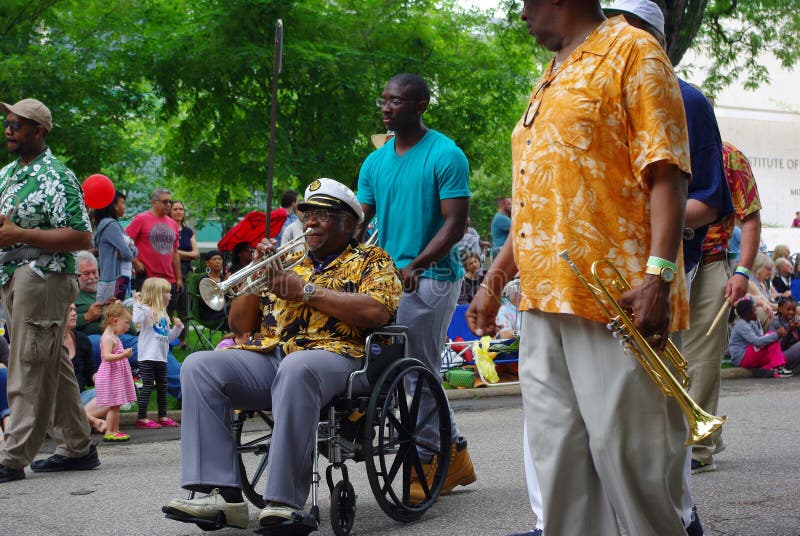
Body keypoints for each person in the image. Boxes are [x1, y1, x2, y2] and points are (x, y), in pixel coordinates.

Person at [467, 2, 696, 534]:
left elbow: (668, 172)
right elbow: (534, 198)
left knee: (628, 460)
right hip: (544, 301)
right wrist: (493, 281)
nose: (520, 13)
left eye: (526, 1)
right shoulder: (553, 70)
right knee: (559, 463)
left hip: (618, 302)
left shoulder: (634, 50)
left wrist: (658, 275)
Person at [162, 178, 402, 532]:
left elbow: (376, 312)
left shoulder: (373, 259)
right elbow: (240, 322)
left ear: (350, 224)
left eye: (323, 215)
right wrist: (256, 277)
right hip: (273, 354)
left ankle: (284, 502)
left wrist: (305, 290)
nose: (310, 222)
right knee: (200, 366)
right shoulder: (288, 258)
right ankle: (220, 496)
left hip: (340, 357)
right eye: (307, 214)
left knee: (298, 366)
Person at [357, 73, 476, 502]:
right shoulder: (374, 161)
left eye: (398, 101)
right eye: (384, 100)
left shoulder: (446, 154)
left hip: (432, 278)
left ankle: (430, 460)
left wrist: (417, 263)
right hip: (387, 280)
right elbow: (359, 222)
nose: (387, 108)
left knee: (415, 373)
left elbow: (455, 222)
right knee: (401, 372)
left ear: (421, 105)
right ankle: (454, 452)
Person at [0, 98, 99, 484]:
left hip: (43, 276)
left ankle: (12, 457)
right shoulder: (8, 173)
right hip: (12, 276)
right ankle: (77, 446)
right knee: (50, 361)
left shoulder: (57, 175)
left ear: (38, 131)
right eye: (7, 123)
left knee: (27, 363)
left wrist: (20, 234)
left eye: (17, 125)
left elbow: (82, 235)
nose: (8, 129)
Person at [74, 250, 182, 400]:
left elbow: (132, 325)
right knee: (98, 342)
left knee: (151, 345)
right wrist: (86, 317)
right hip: (92, 339)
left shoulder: (109, 289)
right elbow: (65, 324)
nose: (92, 277)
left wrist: (120, 309)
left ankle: (185, 389)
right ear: (76, 276)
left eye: (94, 272)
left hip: (123, 336)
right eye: (86, 274)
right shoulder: (72, 295)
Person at [132, 278, 183, 430]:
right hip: (147, 357)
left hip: (161, 356)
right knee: (147, 386)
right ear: (156, 295)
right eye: (167, 292)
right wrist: (138, 302)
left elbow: (168, 338)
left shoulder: (163, 315)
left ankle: (163, 416)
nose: (170, 295)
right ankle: (142, 418)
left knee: (163, 387)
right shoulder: (146, 311)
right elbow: (136, 319)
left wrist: (178, 328)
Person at [126, 188, 182, 305]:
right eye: (164, 201)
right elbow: (124, 241)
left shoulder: (173, 224)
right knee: (147, 317)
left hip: (169, 280)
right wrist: (134, 261)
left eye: (169, 202)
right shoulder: (141, 219)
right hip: (148, 279)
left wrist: (179, 278)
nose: (168, 205)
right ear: (153, 202)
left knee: (168, 318)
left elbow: (175, 252)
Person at [96, 303, 137, 442]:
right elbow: (106, 357)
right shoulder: (108, 338)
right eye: (126, 323)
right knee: (113, 405)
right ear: (115, 321)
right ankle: (110, 431)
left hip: (116, 375)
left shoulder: (114, 336)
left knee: (117, 404)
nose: (128, 326)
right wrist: (123, 355)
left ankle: (116, 430)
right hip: (110, 376)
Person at [728, 297, 792, 378]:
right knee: (771, 336)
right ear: (747, 313)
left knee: (779, 355)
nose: (756, 312)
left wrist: (757, 322)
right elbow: (757, 342)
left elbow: (761, 336)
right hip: (741, 357)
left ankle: (766, 370)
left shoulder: (751, 321)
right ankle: (778, 368)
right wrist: (776, 334)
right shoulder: (741, 325)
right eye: (754, 310)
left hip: (750, 352)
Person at [93, 192, 137, 302]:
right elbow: (127, 254)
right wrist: (130, 249)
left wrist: (130, 249)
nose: (124, 207)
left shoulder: (113, 224)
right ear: (114, 205)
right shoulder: (110, 225)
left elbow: (129, 251)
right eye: (122, 203)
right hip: (114, 279)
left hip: (121, 276)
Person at [170, 199, 200, 349]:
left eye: (181, 209)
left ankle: (182, 341)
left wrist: (176, 252)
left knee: (183, 307)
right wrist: (184, 254)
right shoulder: (166, 229)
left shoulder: (188, 232)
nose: (178, 212)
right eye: (175, 209)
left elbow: (196, 254)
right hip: (168, 271)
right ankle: (167, 339)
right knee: (168, 306)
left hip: (185, 272)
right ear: (170, 211)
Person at [769, 295, 800, 370]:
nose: (791, 312)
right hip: (779, 357)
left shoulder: (795, 320)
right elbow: (776, 348)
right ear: (780, 309)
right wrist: (789, 331)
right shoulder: (775, 323)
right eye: (788, 309)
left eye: (793, 310)